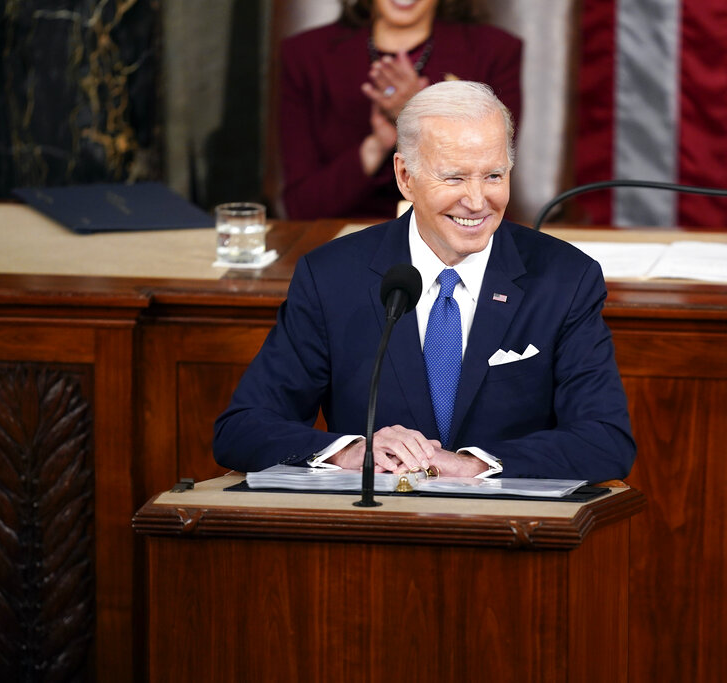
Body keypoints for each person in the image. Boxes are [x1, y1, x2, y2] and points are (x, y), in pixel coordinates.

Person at [214, 81, 635, 483]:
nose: (477, 201)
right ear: (405, 176)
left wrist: (475, 465)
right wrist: (348, 453)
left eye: (493, 176)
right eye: (454, 178)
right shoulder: (331, 277)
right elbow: (242, 428)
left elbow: (606, 440)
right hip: (376, 523)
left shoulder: (565, 279)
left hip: (510, 525)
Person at [278, 0, 522, 220]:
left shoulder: (495, 50)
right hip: (346, 230)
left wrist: (417, 115)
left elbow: (489, 178)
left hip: (463, 227)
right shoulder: (304, 54)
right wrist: (376, 145)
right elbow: (301, 207)